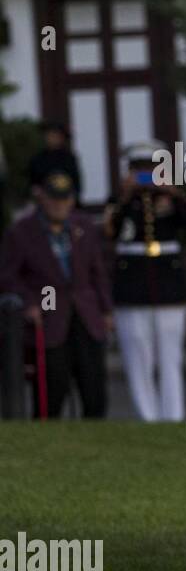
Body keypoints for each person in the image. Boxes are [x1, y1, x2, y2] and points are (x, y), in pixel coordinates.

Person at [104, 139, 186, 422]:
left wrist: (173, 192)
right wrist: (125, 196)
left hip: (168, 282)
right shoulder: (120, 200)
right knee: (138, 353)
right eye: (139, 168)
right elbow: (110, 231)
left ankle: (173, 416)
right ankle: (147, 416)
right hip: (132, 282)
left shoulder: (173, 199)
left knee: (170, 355)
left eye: (151, 167)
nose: (146, 175)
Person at [0, 172, 112, 418]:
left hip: (85, 313)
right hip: (48, 309)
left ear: (72, 200)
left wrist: (105, 309)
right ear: (42, 198)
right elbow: (8, 277)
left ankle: (96, 434)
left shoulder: (83, 227)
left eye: (64, 199)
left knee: (93, 385)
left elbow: (98, 271)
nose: (59, 205)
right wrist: (29, 302)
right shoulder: (22, 232)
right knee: (53, 384)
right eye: (53, 199)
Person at [27, 122, 83, 205]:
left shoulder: (69, 158)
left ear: (61, 138)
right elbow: (33, 181)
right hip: (45, 201)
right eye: (49, 135)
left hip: (66, 200)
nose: (51, 138)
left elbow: (76, 181)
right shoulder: (38, 159)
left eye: (55, 135)